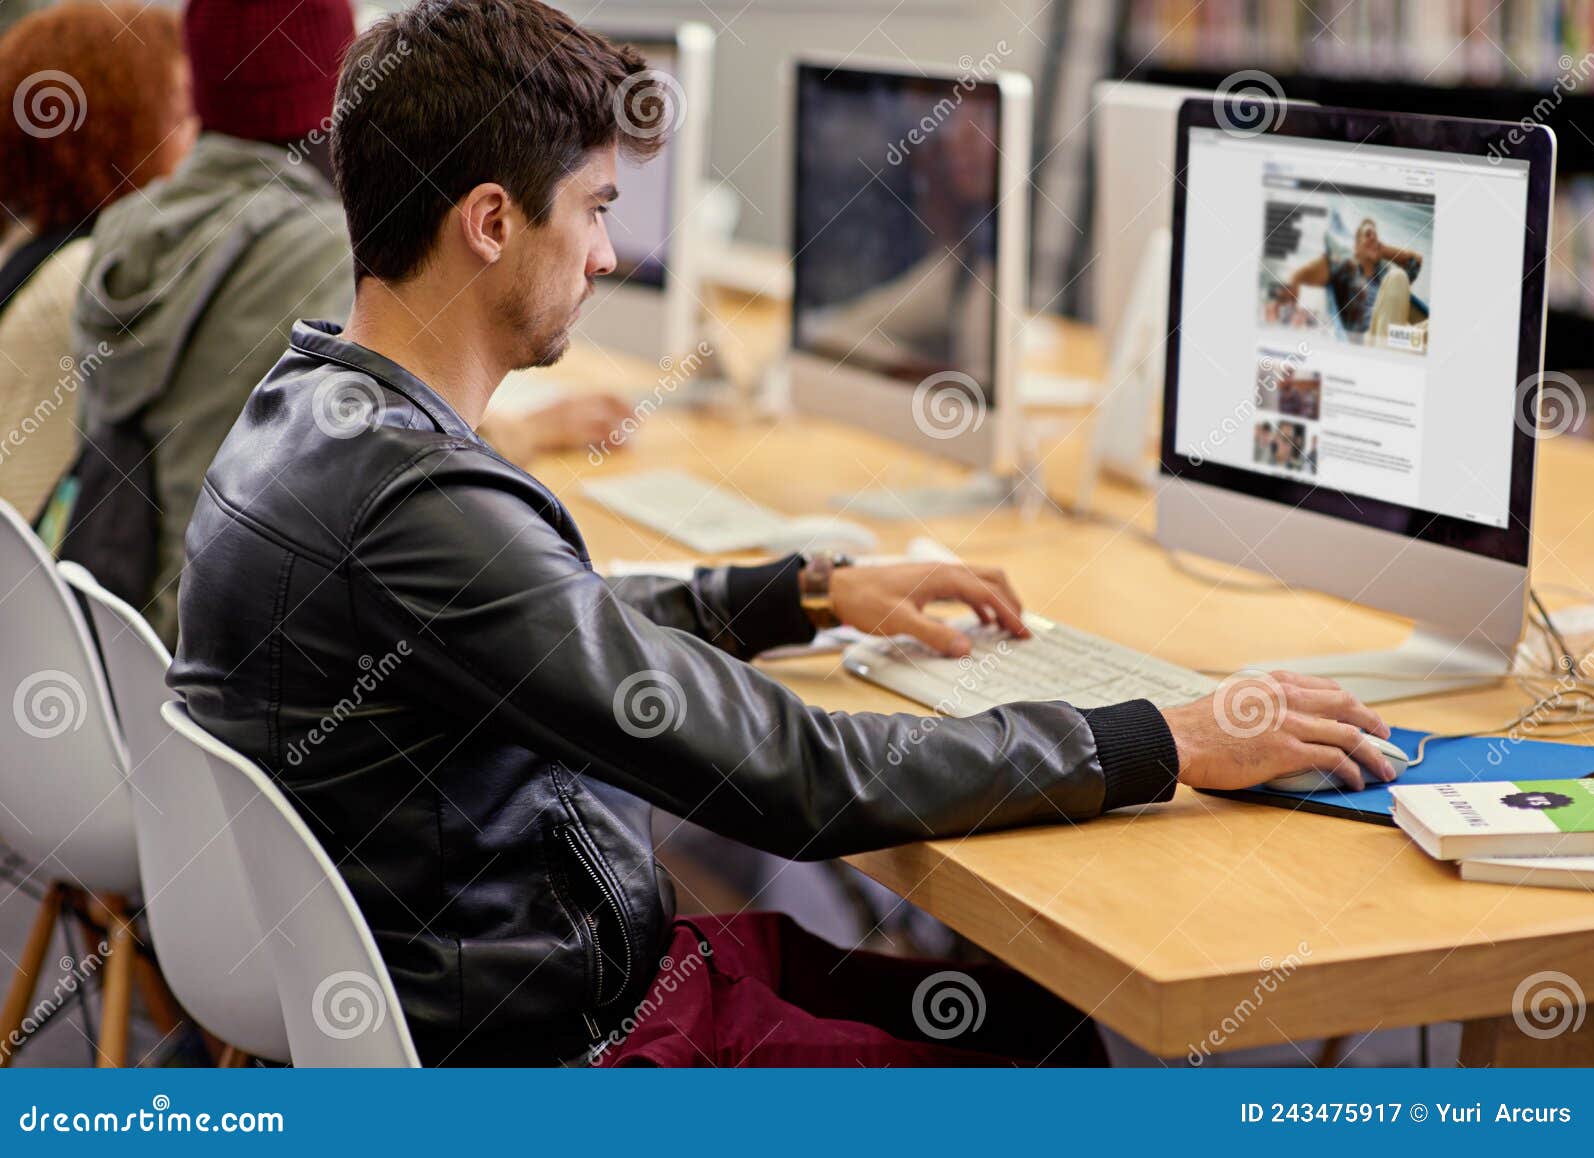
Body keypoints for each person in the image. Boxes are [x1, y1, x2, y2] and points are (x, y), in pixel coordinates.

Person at [170, 0, 1397, 1067]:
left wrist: (803, 592)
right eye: (593, 209)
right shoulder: (421, 502)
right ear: (489, 221)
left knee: (1017, 1015)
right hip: (552, 1041)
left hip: (467, 987)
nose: (605, 254)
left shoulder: (310, 411)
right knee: (1038, 1050)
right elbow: (795, 779)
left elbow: (551, 628)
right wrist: (1159, 737)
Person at [69, 0, 632, 647]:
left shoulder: (134, 224)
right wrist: (527, 436)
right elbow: (369, 478)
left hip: (124, 642)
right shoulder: (310, 247)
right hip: (215, 646)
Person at [0, 3, 195, 526]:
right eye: (175, 115)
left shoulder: (29, 245)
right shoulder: (91, 276)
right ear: (117, 127)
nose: (195, 140)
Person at [1275, 216, 1425, 346]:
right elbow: (1304, 275)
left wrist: (1382, 249)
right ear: (1356, 247)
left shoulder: (1383, 277)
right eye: (1368, 235)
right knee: (1399, 276)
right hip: (1370, 340)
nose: (1373, 238)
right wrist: (1293, 287)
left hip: (1399, 337)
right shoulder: (1346, 269)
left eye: (1376, 237)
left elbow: (1415, 261)